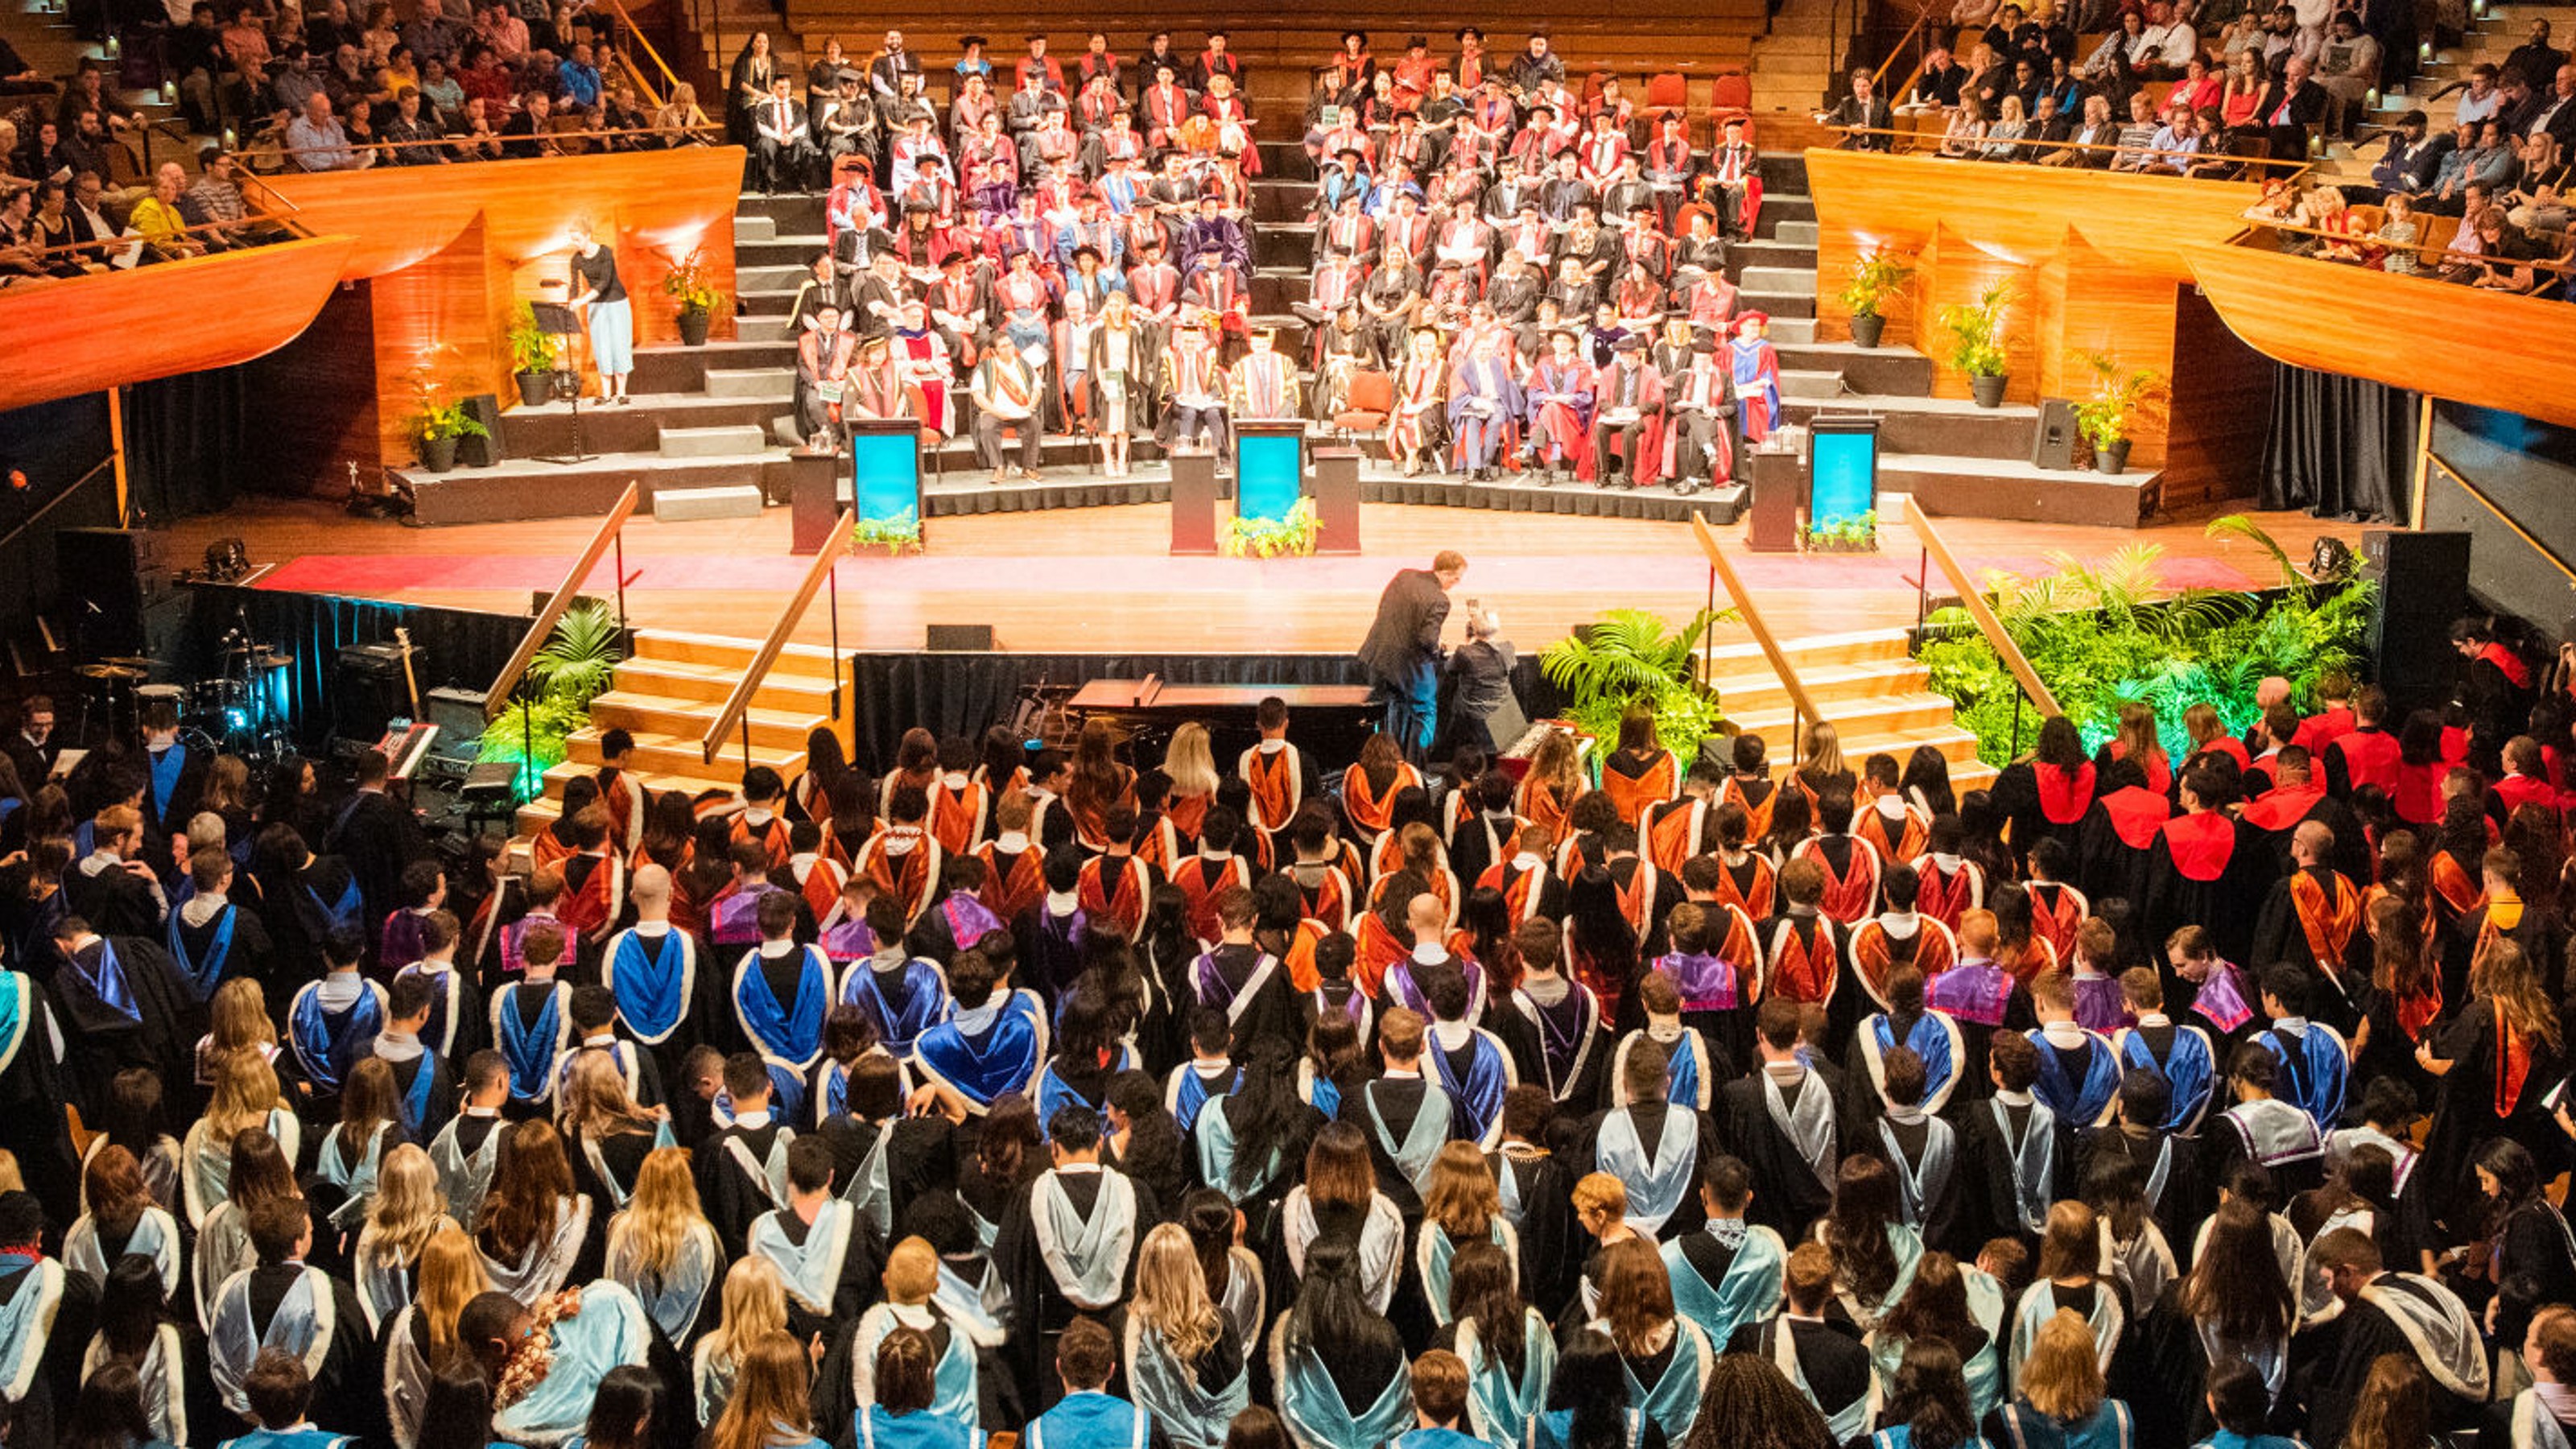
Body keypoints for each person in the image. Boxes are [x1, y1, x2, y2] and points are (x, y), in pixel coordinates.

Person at [1356, 551, 1467, 762]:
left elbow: (1385, 607)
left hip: (1382, 656)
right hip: (1411, 667)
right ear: (1444, 573)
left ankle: (1392, 761)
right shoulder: (1440, 600)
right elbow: (1426, 641)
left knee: (1396, 709)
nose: (1457, 582)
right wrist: (1437, 649)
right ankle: (1418, 766)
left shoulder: (1404, 576)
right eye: (1456, 577)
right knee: (1426, 714)